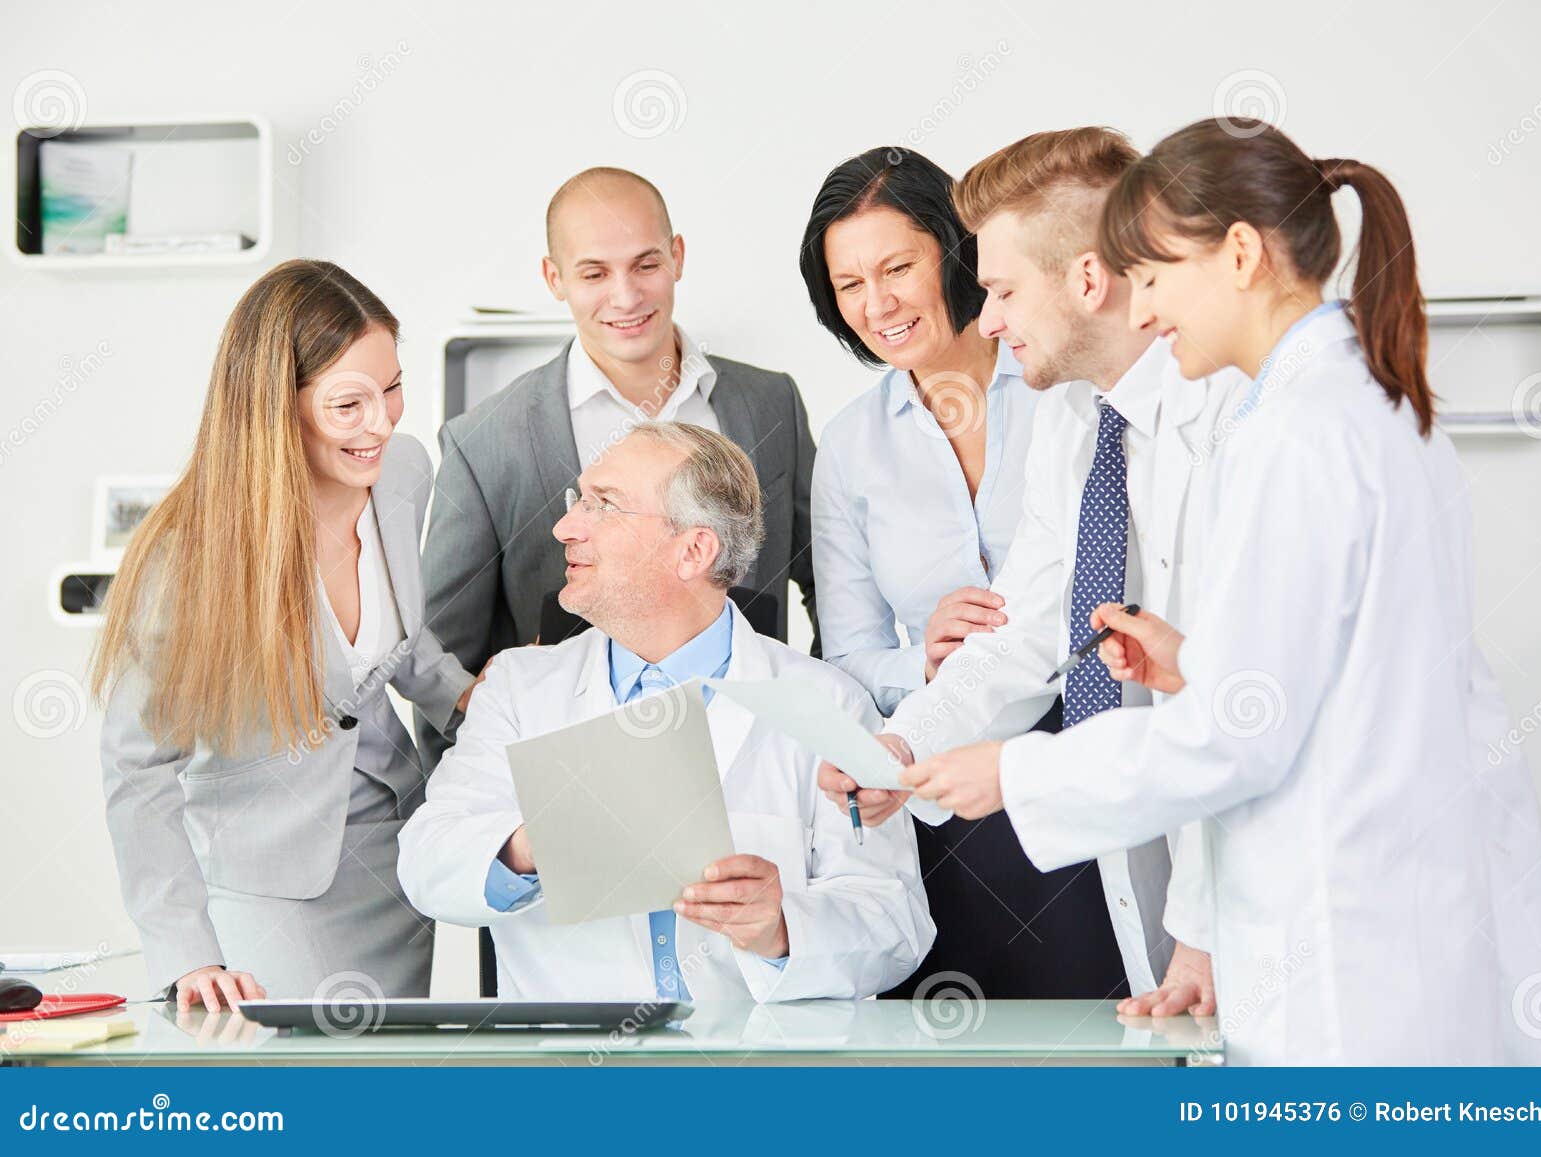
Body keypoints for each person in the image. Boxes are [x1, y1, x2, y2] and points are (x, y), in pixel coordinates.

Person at [893, 118, 1541, 1064]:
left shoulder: (1289, 431)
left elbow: (1241, 732)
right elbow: (1308, 666)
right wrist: (1196, 662)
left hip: (1354, 940)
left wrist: (1013, 773)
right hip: (1350, 915)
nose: (1145, 305)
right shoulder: (1331, 402)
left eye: (1156, 276)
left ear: (1242, 256)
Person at [800, 145, 1170, 1000]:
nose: (878, 302)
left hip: (1105, 759)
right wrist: (900, 739)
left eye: (899, 267)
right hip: (954, 779)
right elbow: (1027, 629)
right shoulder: (863, 443)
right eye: (850, 283)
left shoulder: (1071, 392)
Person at [398, 422, 933, 1001]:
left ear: (694, 551)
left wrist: (778, 929)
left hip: (752, 1072)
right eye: (580, 500)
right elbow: (426, 864)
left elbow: (896, 922)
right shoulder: (517, 689)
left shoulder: (827, 703)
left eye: (605, 505)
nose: (564, 527)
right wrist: (533, 845)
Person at [91, 260, 483, 1013]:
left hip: (391, 855)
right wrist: (187, 955)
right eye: (349, 404)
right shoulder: (187, 555)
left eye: (392, 387)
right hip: (268, 882)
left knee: (381, 1109)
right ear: (276, 406)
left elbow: (398, 637)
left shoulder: (404, 473)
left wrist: (469, 697)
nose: (383, 422)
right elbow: (137, 771)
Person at [417, 167, 821, 769]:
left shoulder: (770, 403)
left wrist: (839, 734)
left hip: (755, 762)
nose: (627, 296)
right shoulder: (484, 441)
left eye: (646, 265)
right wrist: (481, 816)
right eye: (594, 273)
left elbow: (826, 582)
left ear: (677, 256)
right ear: (554, 278)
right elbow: (445, 665)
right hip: (574, 780)